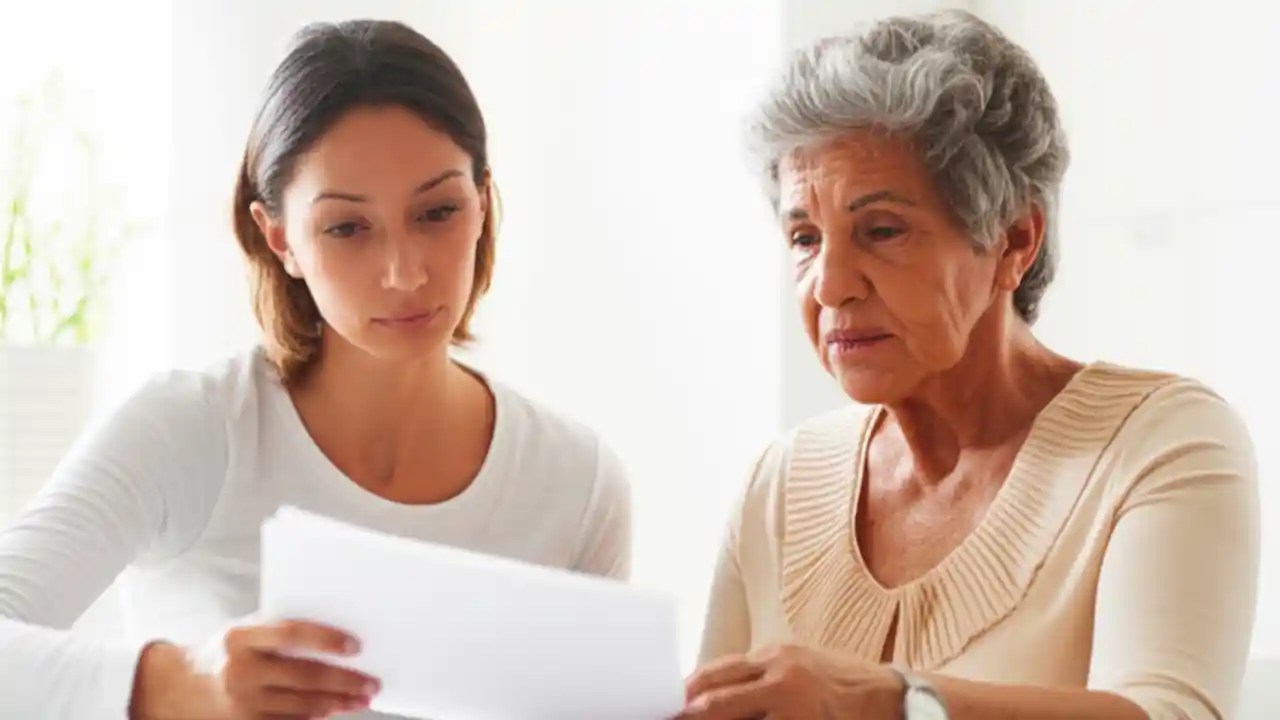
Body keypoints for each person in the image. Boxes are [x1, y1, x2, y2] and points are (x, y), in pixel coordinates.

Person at [0, 19, 631, 720]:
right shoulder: (189, 431)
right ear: (280, 239)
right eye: (347, 227)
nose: (404, 273)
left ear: (483, 203)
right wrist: (180, 685)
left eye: (438, 211)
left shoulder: (577, 481)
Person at [681, 10, 1258, 720]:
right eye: (804, 236)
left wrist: (893, 703)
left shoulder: (1162, 444)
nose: (830, 285)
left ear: (1015, 239)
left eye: (882, 230)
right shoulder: (780, 484)